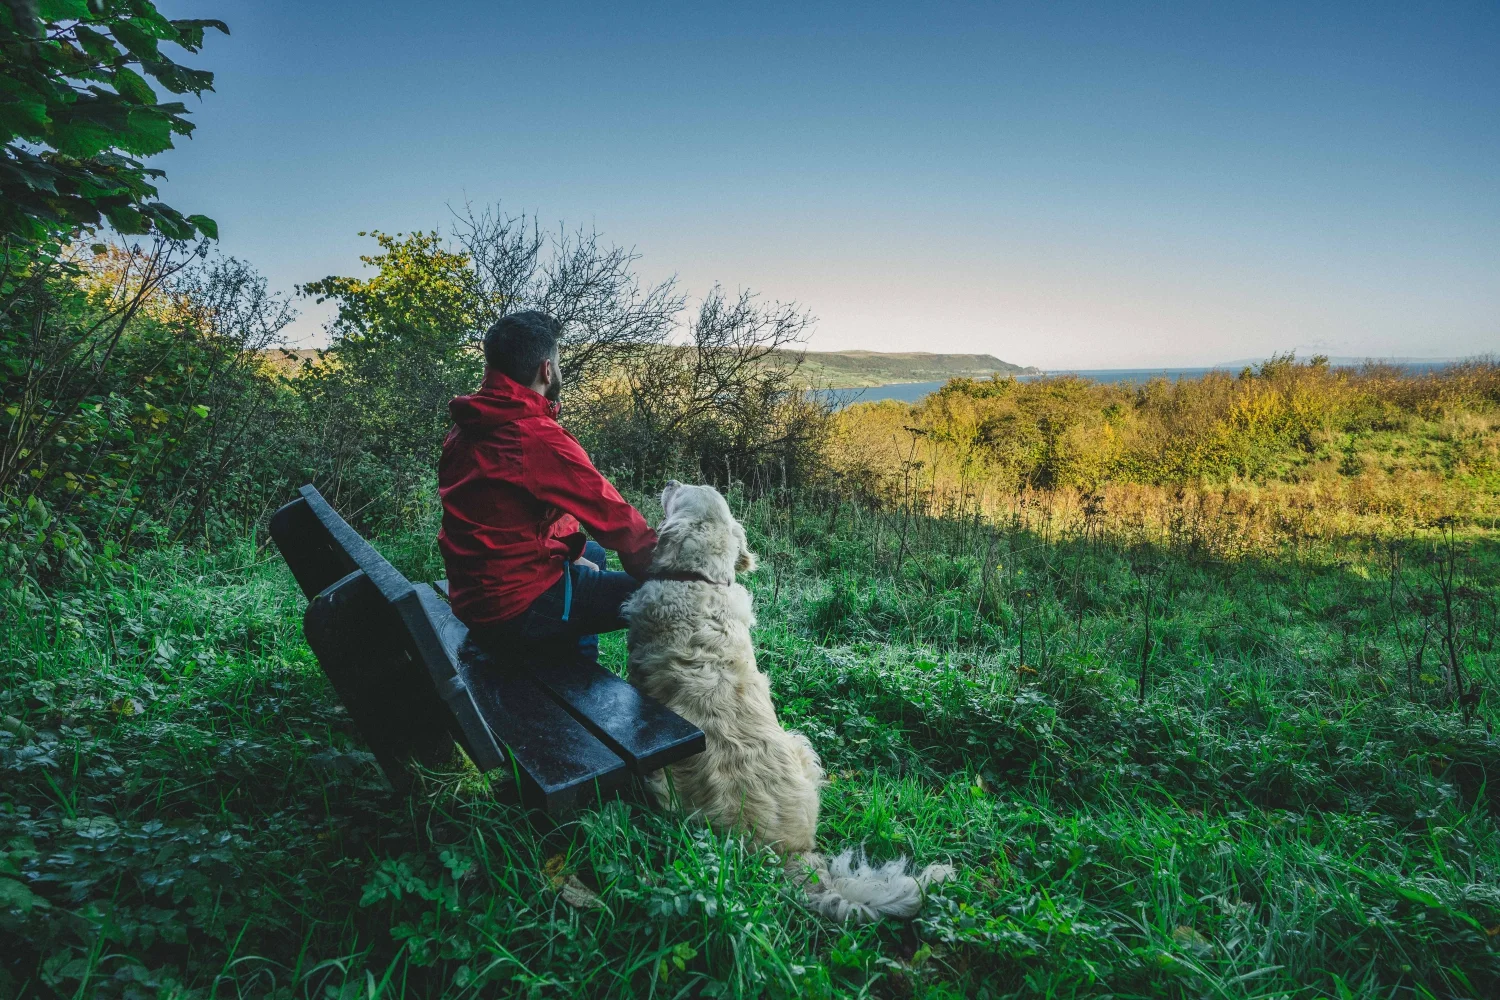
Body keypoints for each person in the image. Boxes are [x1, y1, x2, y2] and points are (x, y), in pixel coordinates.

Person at [438, 311, 656, 661]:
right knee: (659, 594)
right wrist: (675, 573)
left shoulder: (466, 426)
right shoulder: (536, 437)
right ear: (546, 369)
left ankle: (570, 651)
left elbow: (508, 514)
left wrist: (571, 557)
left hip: (475, 595)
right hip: (514, 612)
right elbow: (617, 521)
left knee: (592, 556)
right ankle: (576, 683)